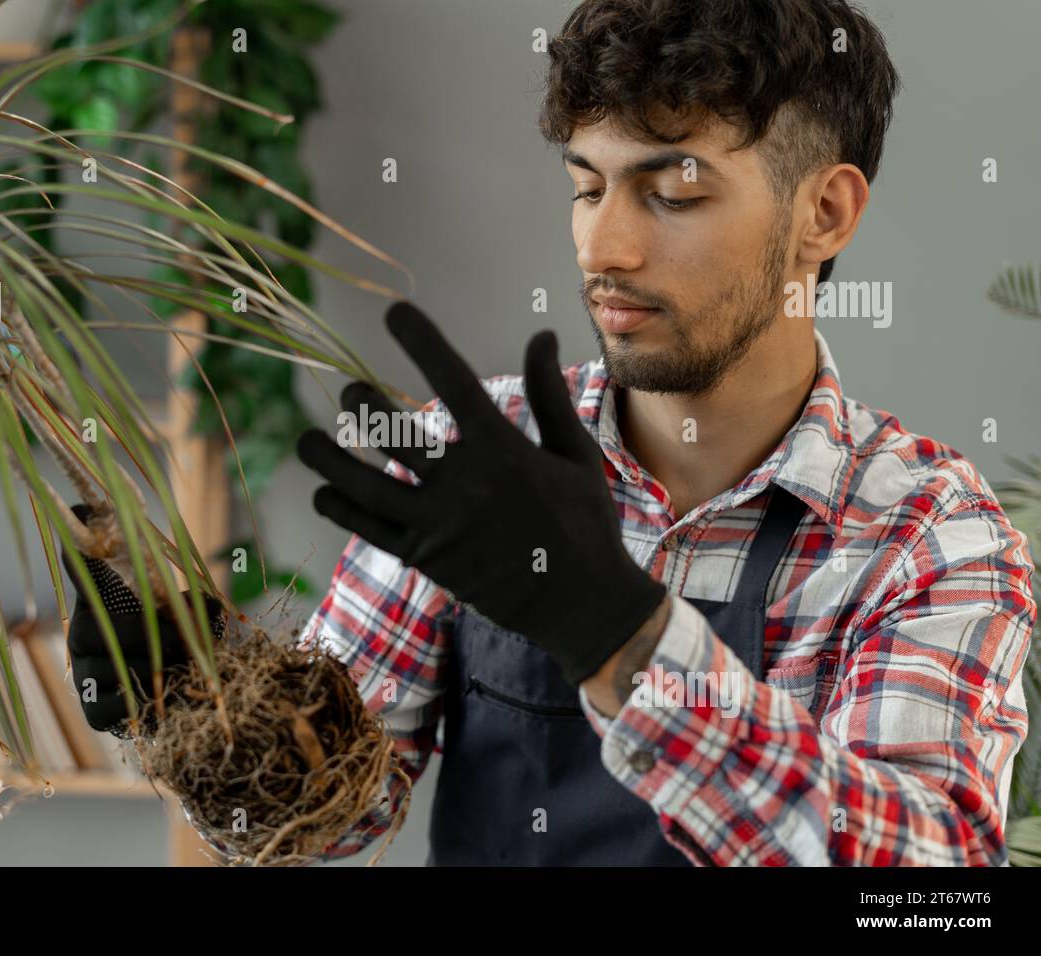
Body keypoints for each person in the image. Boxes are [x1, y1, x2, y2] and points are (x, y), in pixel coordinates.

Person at [65, 0, 1035, 865]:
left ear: (823, 213)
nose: (603, 248)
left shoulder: (928, 535)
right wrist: (194, 706)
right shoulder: (476, 464)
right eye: (586, 185)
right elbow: (326, 817)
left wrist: (616, 634)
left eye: (675, 192)